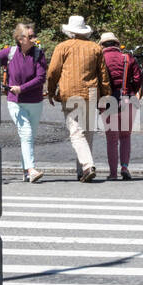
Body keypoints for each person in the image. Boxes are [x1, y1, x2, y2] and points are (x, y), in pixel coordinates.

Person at [46, 15, 112, 183]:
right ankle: (82, 171)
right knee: (87, 133)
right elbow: (103, 75)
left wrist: (51, 91)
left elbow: (53, 71)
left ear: (70, 31)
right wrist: (106, 96)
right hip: (91, 93)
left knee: (76, 133)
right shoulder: (95, 48)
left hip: (71, 93)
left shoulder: (62, 47)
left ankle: (88, 166)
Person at [0, 20, 47, 183]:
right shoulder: (9, 53)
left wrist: (22, 88)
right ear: (20, 38)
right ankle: (31, 170)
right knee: (26, 133)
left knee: (28, 137)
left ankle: (26, 171)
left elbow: (41, 78)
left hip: (35, 102)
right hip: (15, 102)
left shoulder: (38, 54)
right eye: (30, 36)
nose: (34, 38)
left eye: (34, 35)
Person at [99, 32, 142, 181]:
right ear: (117, 44)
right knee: (125, 136)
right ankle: (124, 166)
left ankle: (112, 173)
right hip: (128, 98)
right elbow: (138, 78)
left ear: (102, 45)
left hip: (108, 100)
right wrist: (131, 90)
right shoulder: (127, 58)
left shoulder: (100, 58)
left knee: (112, 139)